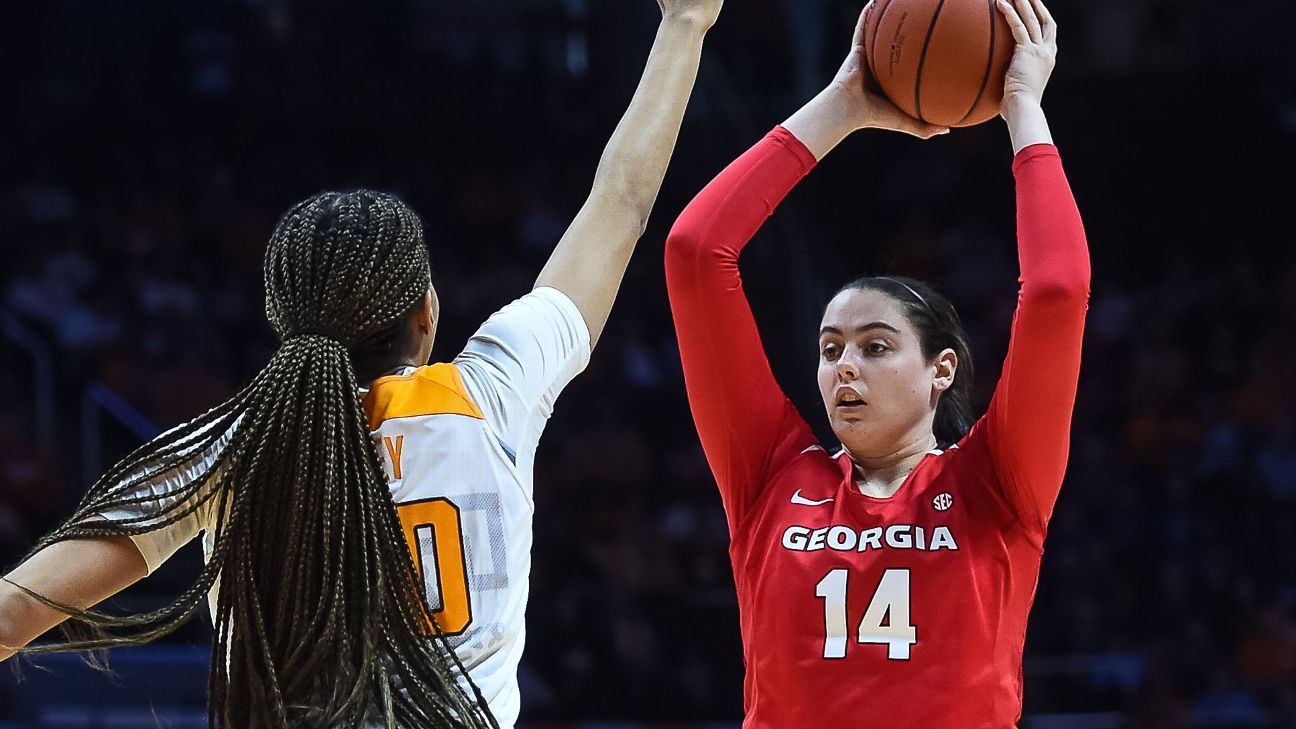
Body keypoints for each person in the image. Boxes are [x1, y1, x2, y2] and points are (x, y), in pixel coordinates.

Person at [0, 0, 724, 726]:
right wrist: (683, 27)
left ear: (279, 318)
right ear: (426, 314)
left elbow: (11, 617)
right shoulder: (493, 392)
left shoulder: (231, 446)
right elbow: (621, 202)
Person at [664, 0, 1087, 725]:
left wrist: (1022, 108)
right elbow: (696, 253)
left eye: (876, 345)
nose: (844, 368)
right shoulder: (772, 472)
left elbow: (1056, 288)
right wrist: (840, 107)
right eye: (830, 349)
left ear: (942, 370)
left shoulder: (996, 480)